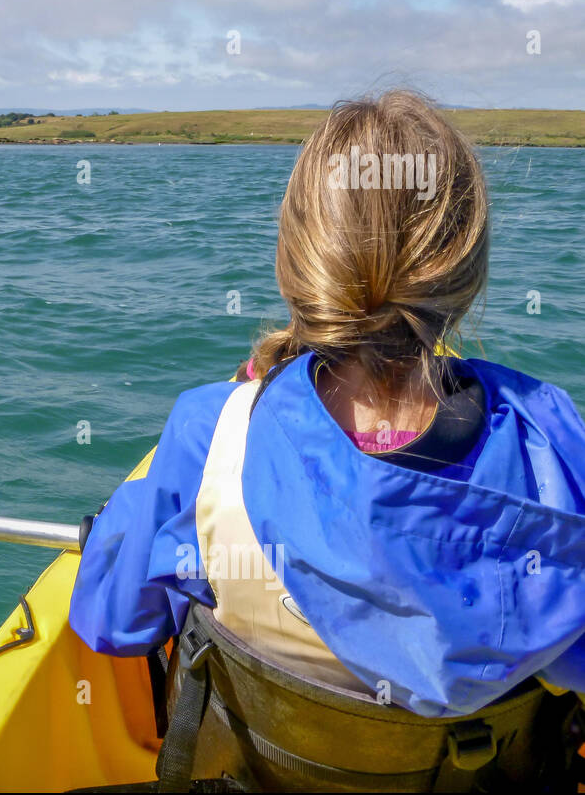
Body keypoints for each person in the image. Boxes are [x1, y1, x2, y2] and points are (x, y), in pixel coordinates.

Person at [69, 90, 585, 719]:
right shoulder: (549, 436)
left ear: (297, 264)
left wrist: (128, 511)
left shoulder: (214, 430)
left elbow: (115, 621)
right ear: (464, 272)